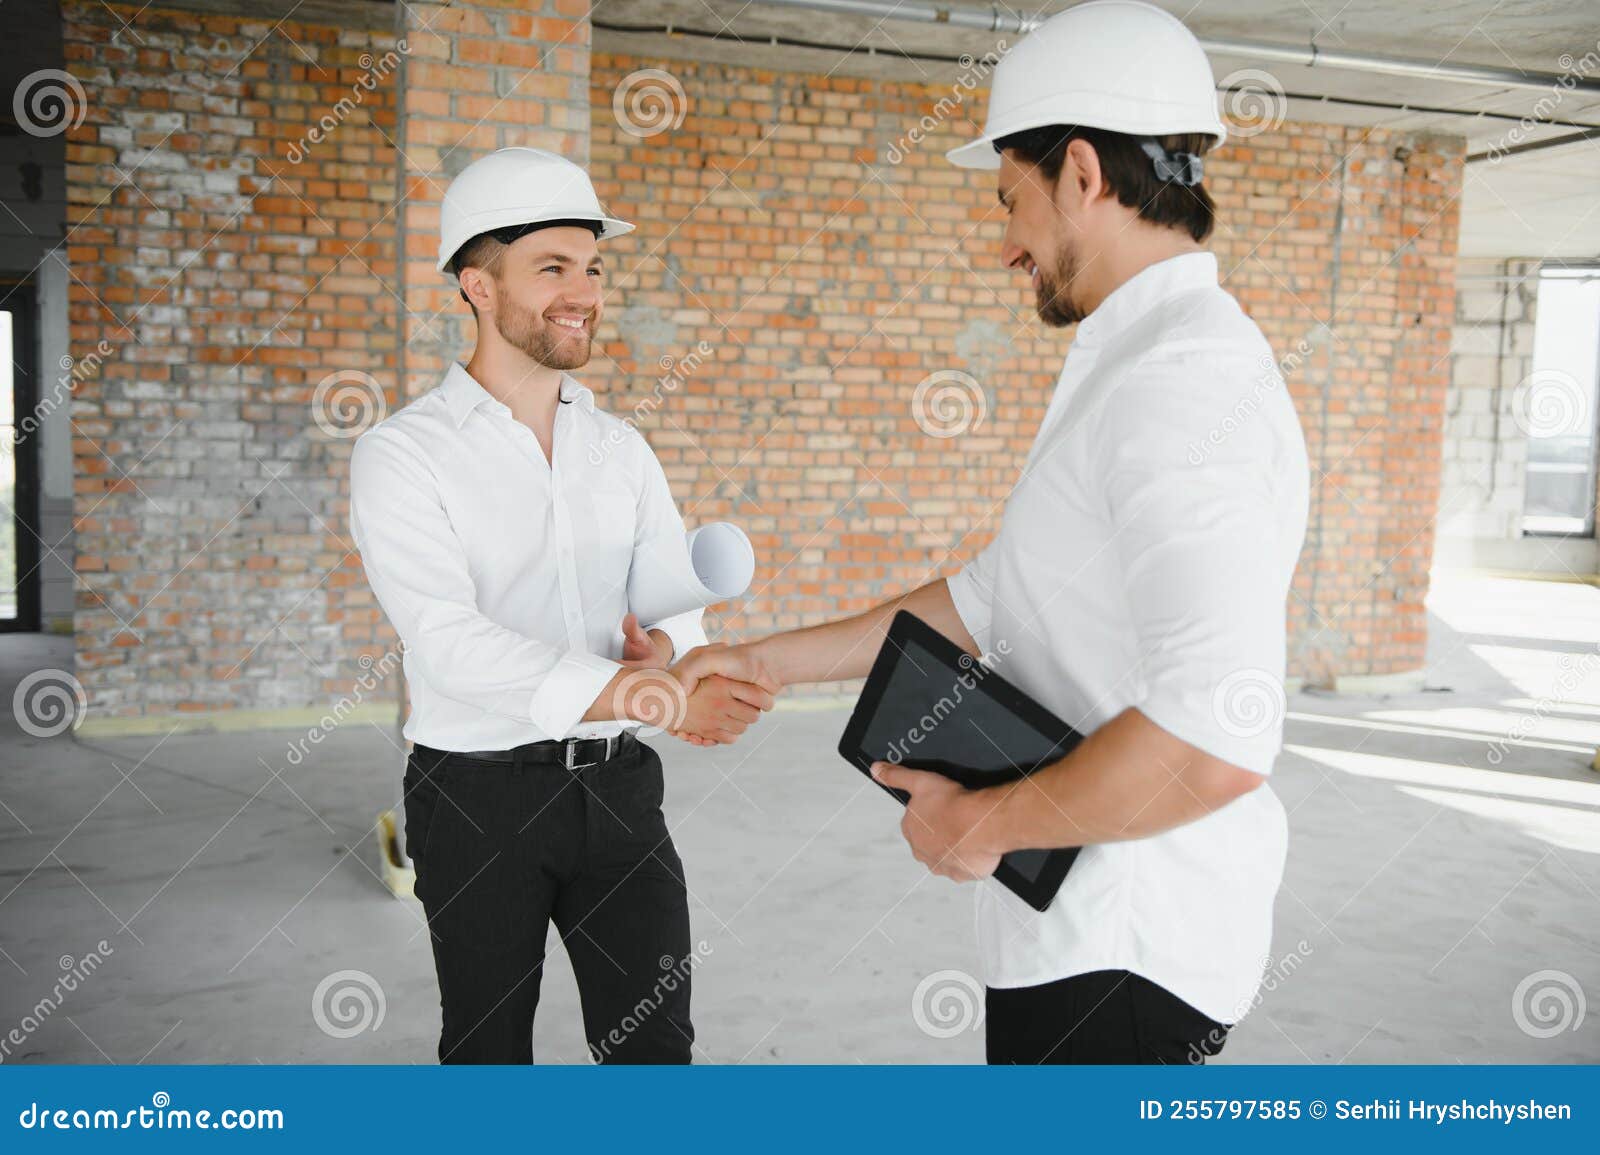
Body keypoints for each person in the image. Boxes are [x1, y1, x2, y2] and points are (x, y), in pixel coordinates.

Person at [676, 1, 1310, 1064]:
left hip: (1125, 956)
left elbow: (1217, 734)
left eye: (1009, 200)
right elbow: (987, 599)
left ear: (1079, 174)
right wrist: (761, 660)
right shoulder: (1132, 360)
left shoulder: (1180, 385)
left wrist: (987, 824)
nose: (1002, 243)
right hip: (1081, 936)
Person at [349, 147, 777, 1064]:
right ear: (478, 285)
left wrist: (664, 641)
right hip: (476, 796)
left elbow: (673, 605)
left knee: (655, 1052)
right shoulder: (402, 455)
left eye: (592, 268)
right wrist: (647, 695)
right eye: (551, 268)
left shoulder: (619, 448)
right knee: (487, 1049)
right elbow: (449, 644)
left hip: (620, 789)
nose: (582, 291)